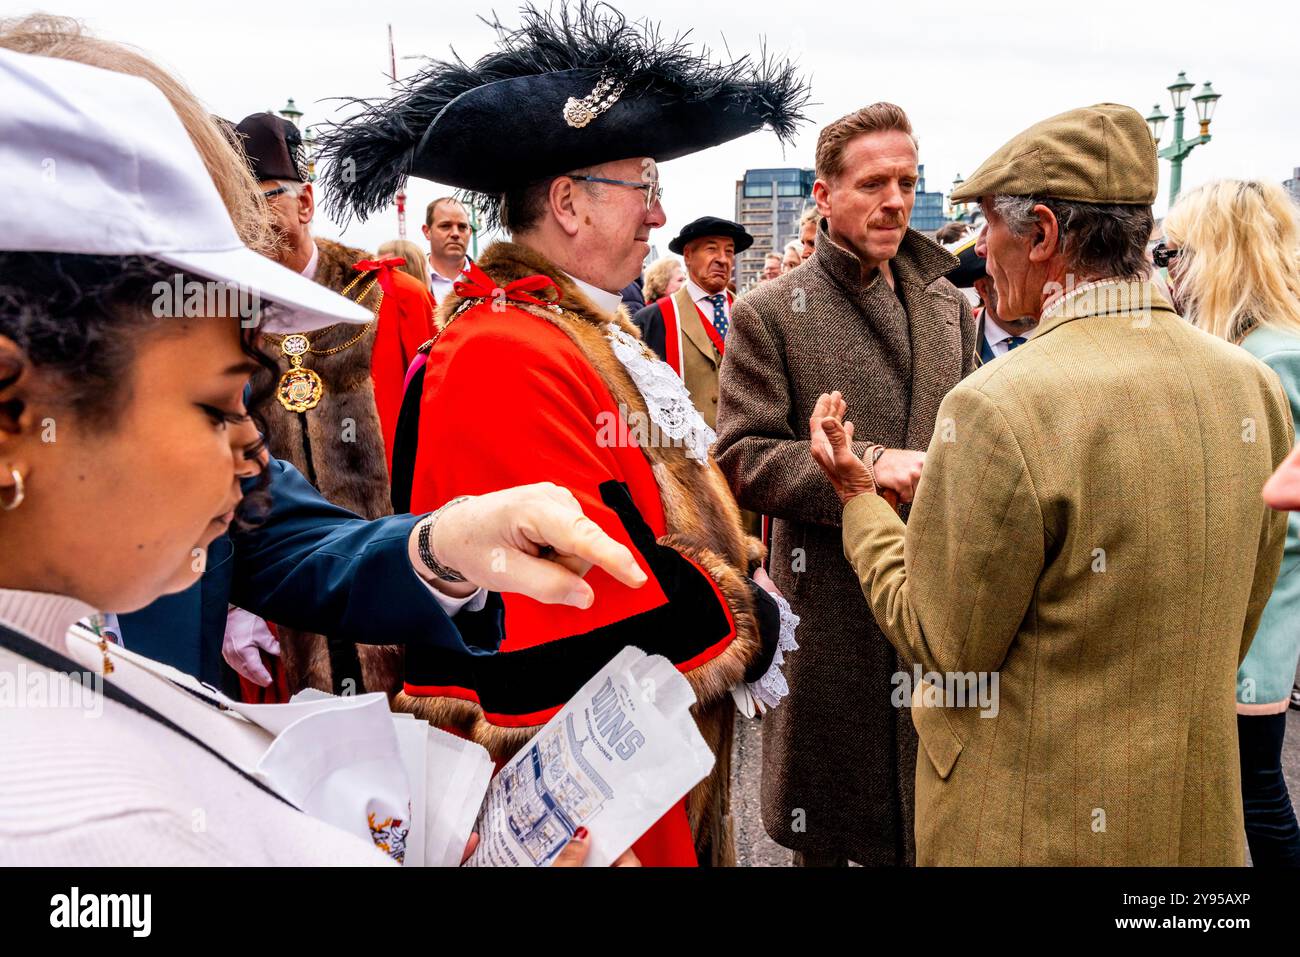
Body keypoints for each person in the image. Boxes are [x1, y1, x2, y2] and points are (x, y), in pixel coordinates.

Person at [0, 47, 642, 867]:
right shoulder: (66, 817)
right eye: (213, 404)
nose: (246, 446)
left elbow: (285, 534)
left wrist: (446, 542)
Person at [321, 0, 807, 867]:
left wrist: (740, 560)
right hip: (592, 787)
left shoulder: (555, 324)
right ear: (569, 204)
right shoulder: (503, 347)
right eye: (644, 189)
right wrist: (742, 611)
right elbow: (573, 584)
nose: (658, 217)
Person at [811, 104, 1292, 865]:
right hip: (1196, 831)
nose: (980, 252)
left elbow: (945, 645)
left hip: (1031, 825)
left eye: (989, 231)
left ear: (1041, 235)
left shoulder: (999, 403)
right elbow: (1240, 612)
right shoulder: (1253, 387)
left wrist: (859, 500)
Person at [715, 101, 975, 867]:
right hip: (831, 612)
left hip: (934, 602)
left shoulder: (949, 302)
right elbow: (740, 455)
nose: (894, 200)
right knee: (827, 825)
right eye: (871, 184)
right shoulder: (770, 313)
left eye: (906, 181)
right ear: (823, 195)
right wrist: (866, 465)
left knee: (933, 822)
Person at [234, 112, 438, 696]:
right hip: (277, 596)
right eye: (236, 203)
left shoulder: (391, 296)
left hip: (398, 567)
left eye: (265, 198)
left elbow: (430, 439)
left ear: (305, 203)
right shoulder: (217, 314)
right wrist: (229, 601)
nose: (251, 218)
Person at [1164, 178, 1300, 867]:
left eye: (1179, 251)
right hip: (1240, 616)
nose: (1170, 268)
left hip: (1254, 621)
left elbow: (1284, 513)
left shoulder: (1274, 356)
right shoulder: (1257, 346)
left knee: (1254, 794)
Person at [633, 217, 751, 431]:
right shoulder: (651, 321)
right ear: (688, 255)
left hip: (742, 453)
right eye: (711, 249)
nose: (722, 260)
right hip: (685, 455)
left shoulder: (752, 315)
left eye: (729, 251)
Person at [945, 230, 1038, 364]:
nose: (1030, 287)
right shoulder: (953, 341)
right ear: (983, 288)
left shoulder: (1068, 336)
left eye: (1034, 275)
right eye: (1013, 278)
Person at [422, 196, 472, 303]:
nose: (455, 233)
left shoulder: (490, 282)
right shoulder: (411, 280)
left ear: (470, 232)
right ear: (427, 232)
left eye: (462, 227)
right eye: (445, 226)